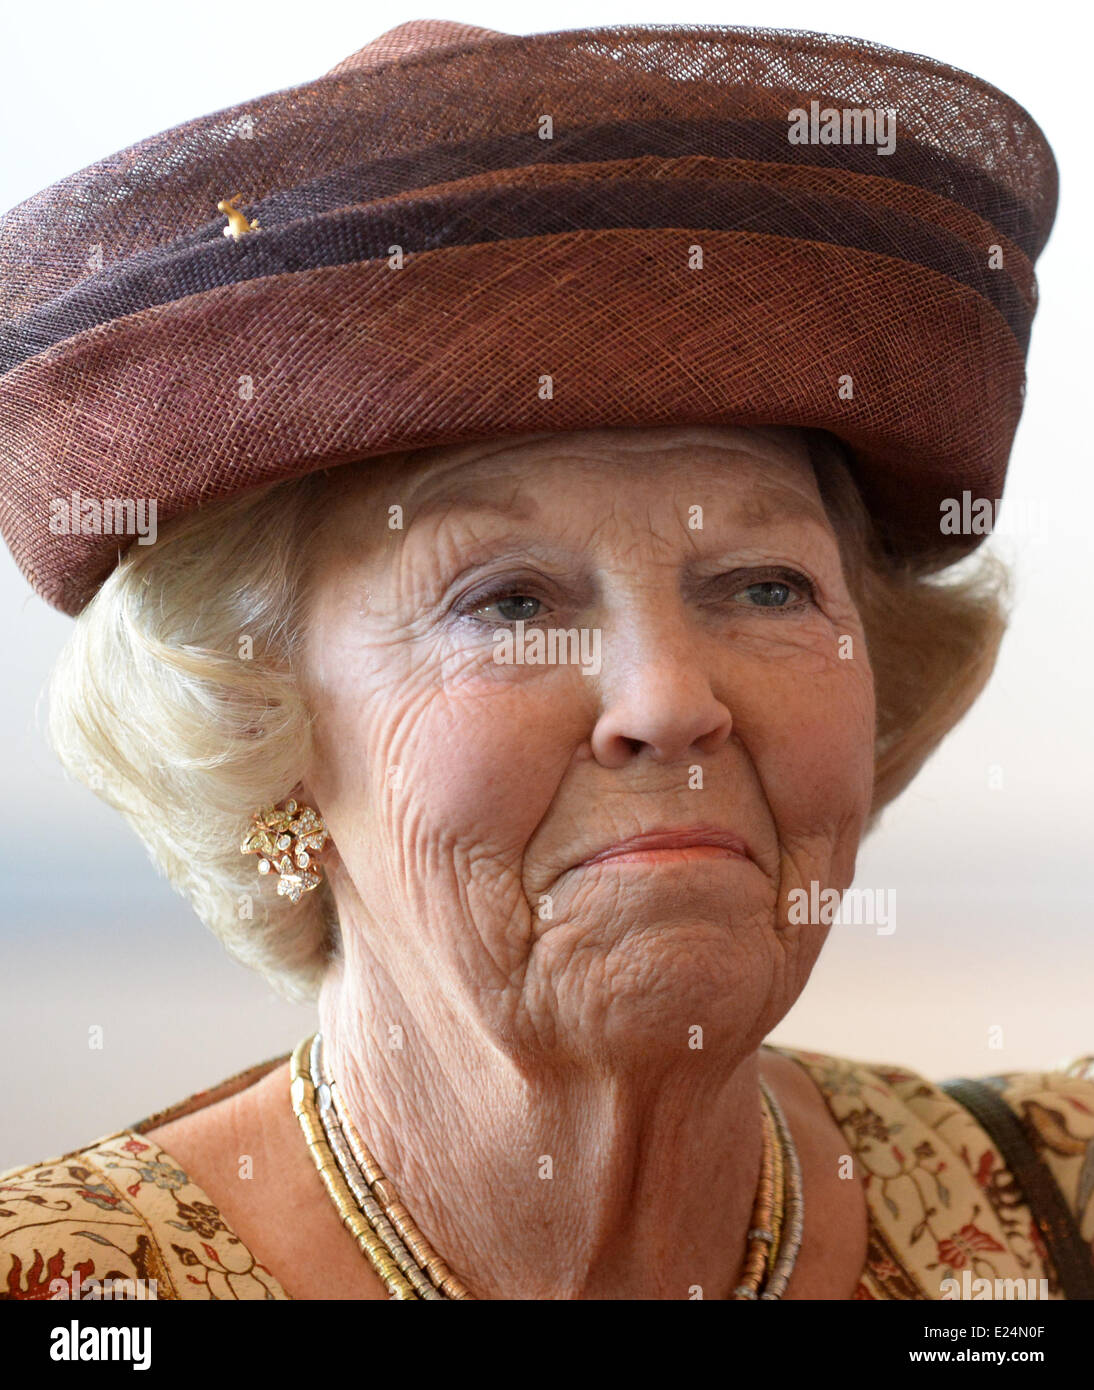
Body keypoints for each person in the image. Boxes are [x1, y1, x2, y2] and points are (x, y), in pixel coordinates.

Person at [1, 20, 1090, 1302]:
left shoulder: (1052, 1213)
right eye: (508, 602)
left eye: (762, 585)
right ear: (264, 730)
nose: (670, 702)